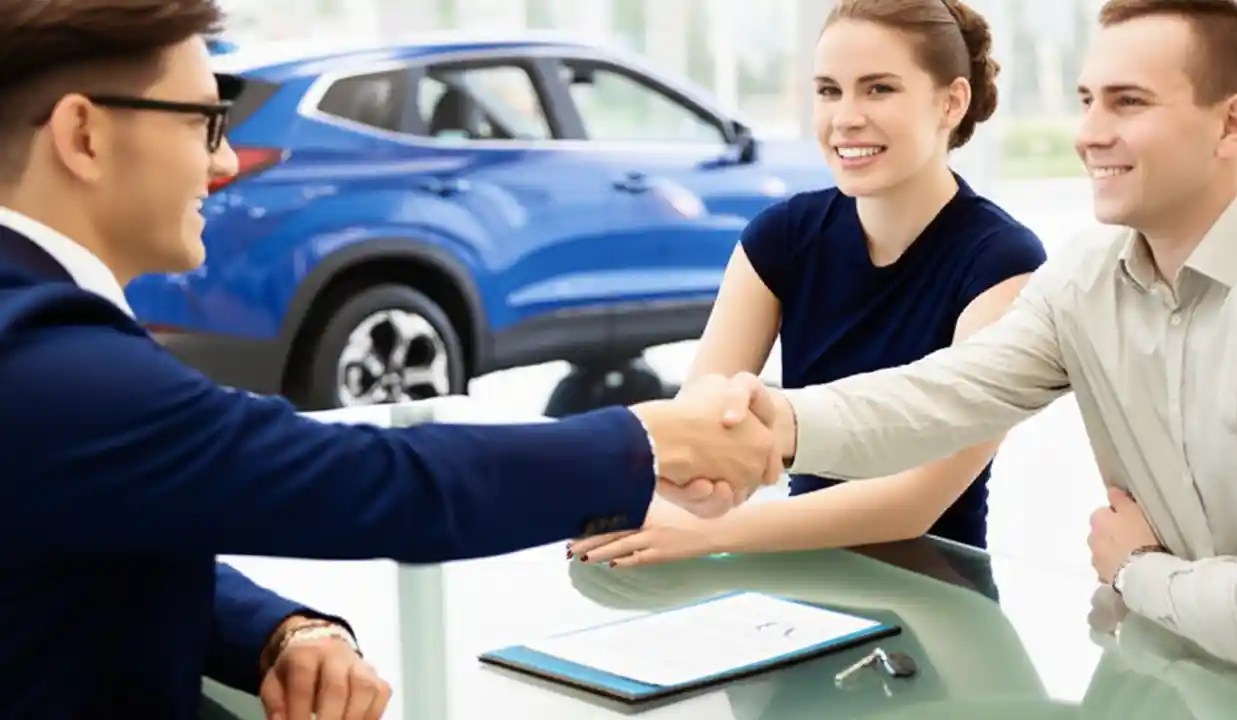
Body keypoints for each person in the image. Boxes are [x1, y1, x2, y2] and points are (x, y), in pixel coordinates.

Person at [0, 2, 779, 717]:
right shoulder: (43, 358)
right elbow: (385, 478)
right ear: (84, 136)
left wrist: (277, 630)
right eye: (207, 122)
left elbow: (102, 522)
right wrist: (654, 440)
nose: (228, 162)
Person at [719, 0, 1237, 674]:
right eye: (1086, 102)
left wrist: (1135, 569)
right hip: (1147, 674)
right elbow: (938, 396)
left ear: (1232, 123)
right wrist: (772, 422)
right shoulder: (1084, 283)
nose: (1089, 135)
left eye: (1127, 103)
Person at [569, 0, 1045, 568]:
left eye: (879, 89)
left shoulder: (1003, 263)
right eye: (828, 91)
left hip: (935, 588)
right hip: (795, 574)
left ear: (951, 101)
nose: (845, 117)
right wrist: (657, 497)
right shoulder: (782, 237)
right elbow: (701, 435)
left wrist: (707, 532)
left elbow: (915, 502)